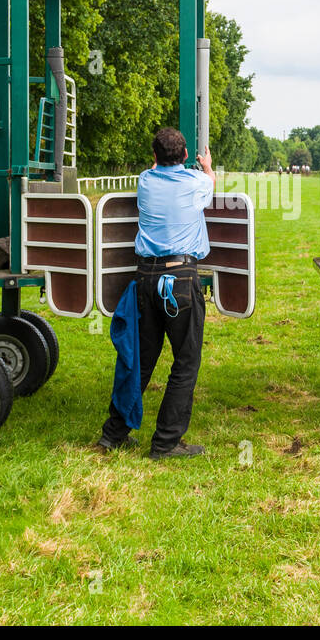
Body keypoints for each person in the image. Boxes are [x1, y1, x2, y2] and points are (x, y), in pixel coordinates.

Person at [96, 127, 215, 459]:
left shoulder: (145, 181)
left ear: (154, 157)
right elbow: (211, 182)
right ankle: (165, 443)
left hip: (145, 278)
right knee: (186, 361)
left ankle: (114, 434)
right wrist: (207, 167)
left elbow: (153, 169)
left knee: (142, 359)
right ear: (187, 156)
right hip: (180, 280)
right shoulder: (197, 183)